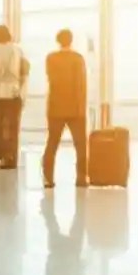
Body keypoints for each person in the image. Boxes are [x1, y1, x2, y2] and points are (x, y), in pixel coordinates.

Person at [43, 29, 89, 189]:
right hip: (75, 109)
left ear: (58, 41)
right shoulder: (78, 59)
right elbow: (81, 85)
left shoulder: (51, 58)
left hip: (55, 108)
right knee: (80, 145)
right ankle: (81, 178)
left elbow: (51, 79)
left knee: (52, 143)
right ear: (71, 40)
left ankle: (48, 178)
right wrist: (81, 109)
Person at [0, 25, 30, 169]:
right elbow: (25, 71)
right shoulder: (19, 51)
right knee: (13, 127)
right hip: (15, 94)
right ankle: (12, 158)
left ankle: (0, 156)